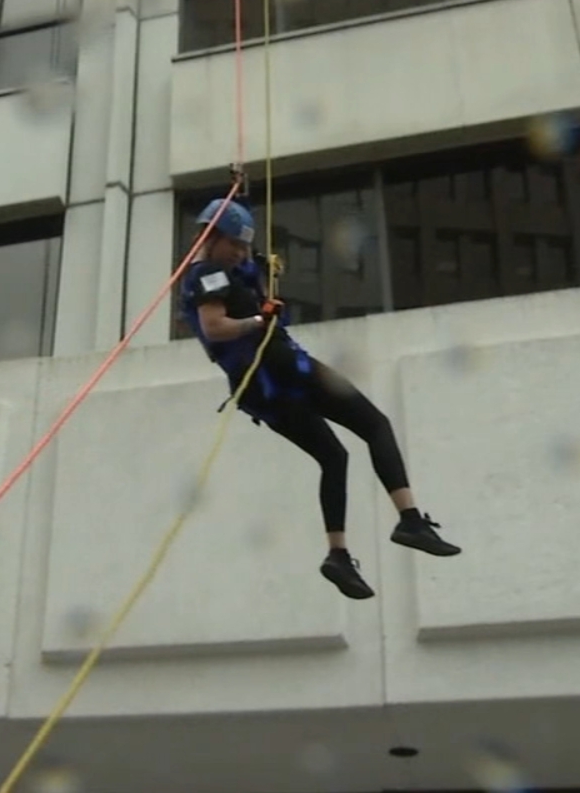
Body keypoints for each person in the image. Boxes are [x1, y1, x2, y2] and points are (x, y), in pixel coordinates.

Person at [177, 197, 461, 601]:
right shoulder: (208, 275)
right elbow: (216, 326)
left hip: (263, 390)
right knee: (374, 424)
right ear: (210, 236)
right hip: (283, 369)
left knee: (334, 457)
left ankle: (338, 555)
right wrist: (260, 319)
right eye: (235, 245)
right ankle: (410, 520)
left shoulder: (222, 271)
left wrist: (258, 267)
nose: (240, 253)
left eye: (244, 246)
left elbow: (243, 277)